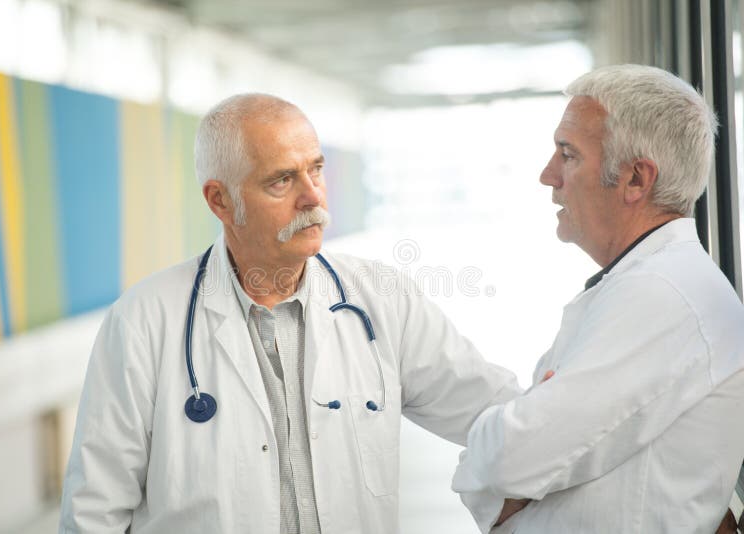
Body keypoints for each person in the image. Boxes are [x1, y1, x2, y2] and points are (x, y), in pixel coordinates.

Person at [58, 93, 521, 533]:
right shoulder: (145, 322)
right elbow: (94, 511)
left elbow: (493, 410)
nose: (313, 197)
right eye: (282, 180)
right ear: (220, 201)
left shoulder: (382, 301)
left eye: (315, 170)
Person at [452, 64, 744, 533]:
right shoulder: (646, 285)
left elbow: (510, 457)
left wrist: (500, 443)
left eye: (568, 154)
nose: (548, 176)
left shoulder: (663, 295)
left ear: (634, 179)